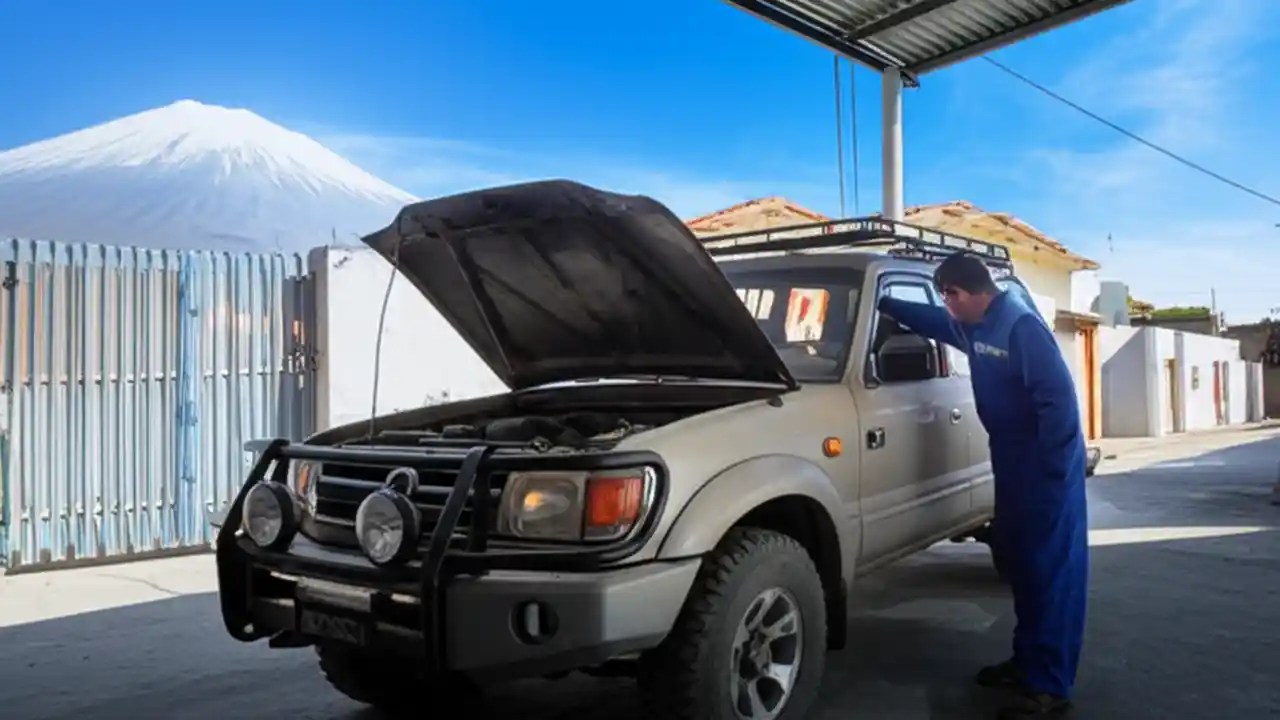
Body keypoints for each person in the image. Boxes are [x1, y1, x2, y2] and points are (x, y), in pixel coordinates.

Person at [878, 252, 1089, 719]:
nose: (946, 306)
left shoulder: (1020, 326)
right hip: (1012, 458)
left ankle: (1050, 686)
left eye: (948, 296)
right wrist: (890, 306)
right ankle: (1027, 664)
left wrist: (1051, 473)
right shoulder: (972, 324)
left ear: (962, 291)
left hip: (1043, 462)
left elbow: (1059, 402)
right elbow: (936, 322)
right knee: (1022, 566)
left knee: (1051, 572)